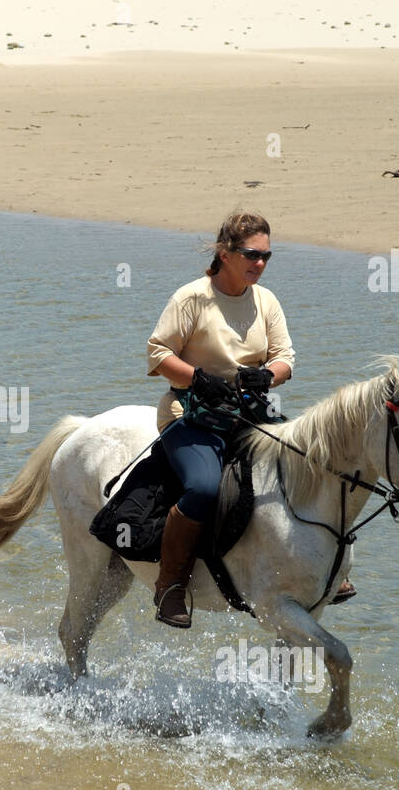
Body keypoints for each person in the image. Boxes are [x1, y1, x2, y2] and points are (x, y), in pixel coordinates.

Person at [146, 212, 352, 628]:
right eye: (251, 255)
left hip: (251, 414)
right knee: (203, 488)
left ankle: (335, 569)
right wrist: (199, 379)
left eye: (266, 256)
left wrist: (267, 375)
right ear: (225, 253)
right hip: (190, 416)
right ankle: (170, 585)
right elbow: (158, 356)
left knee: (316, 461)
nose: (259, 264)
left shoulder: (266, 300)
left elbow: (285, 358)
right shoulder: (191, 298)